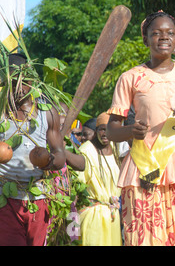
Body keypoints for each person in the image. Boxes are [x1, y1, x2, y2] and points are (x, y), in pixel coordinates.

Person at [106, 11, 175, 246]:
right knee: (144, 238)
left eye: (170, 33)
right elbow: (112, 131)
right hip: (144, 168)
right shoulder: (130, 77)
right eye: (156, 33)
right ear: (145, 39)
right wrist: (132, 130)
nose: (164, 37)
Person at [0, 53, 66, 246]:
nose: (19, 88)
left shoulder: (47, 112)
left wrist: (49, 161)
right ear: (5, 81)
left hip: (38, 198)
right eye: (14, 82)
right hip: (5, 199)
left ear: (32, 81)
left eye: (24, 81)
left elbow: (60, 153)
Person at [77, 112, 122, 246]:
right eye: (102, 129)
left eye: (109, 129)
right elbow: (76, 191)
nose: (105, 133)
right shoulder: (86, 150)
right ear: (96, 130)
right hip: (92, 217)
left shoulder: (115, 148)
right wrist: (71, 226)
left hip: (113, 216)